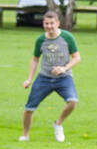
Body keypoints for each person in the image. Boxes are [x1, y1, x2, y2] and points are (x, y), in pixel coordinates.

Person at [20, 10, 79, 142]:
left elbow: (77, 58)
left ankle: (58, 124)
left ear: (58, 23)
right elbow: (35, 59)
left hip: (64, 78)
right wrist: (29, 79)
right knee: (29, 108)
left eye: (52, 23)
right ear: (43, 24)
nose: (49, 26)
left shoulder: (67, 37)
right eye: (47, 23)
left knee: (73, 102)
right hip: (44, 78)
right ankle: (25, 135)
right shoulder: (41, 40)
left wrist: (64, 68)